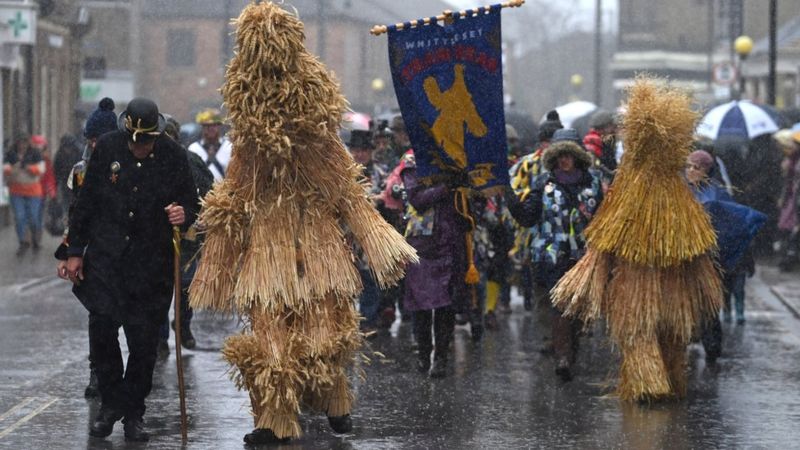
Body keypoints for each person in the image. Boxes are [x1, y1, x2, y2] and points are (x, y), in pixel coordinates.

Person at [63, 97, 199, 441]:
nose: (141, 148)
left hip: (150, 264)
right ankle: (110, 405)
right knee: (102, 330)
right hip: (108, 259)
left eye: (147, 141)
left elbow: (192, 202)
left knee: (143, 343)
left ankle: (133, 411)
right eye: (136, 142)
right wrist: (74, 251)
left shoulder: (172, 156)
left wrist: (183, 213)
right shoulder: (107, 148)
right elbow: (86, 202)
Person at [505, 137, 602, 381]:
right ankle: (563, 358)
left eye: (568, 155)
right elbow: (528, 217)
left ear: (577, 157)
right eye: (559, 156)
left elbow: (602, 220)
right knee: (560, 306)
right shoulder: (543, 184)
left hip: (582, 257)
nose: (564, 160)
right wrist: (511, 199)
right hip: (551, 257)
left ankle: (570, 351)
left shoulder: (593, 184)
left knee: (577, 309)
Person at [55, 97, 119, 399]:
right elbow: (75, 211)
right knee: (98, 314)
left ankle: (122, 376)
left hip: (121, 250)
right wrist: (70, 251)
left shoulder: (125, 166)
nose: (93, 145)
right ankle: (98, 372)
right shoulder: (80, 171)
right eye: (90, 139)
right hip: (91, 249)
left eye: (98, 139)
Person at [401, 152, 469, 378]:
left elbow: (474, 198)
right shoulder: (412, 160)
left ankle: (441, 357)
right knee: (421, 303)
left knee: (446, 303)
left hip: (451, 242)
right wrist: (446, 187)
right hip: (423, 244)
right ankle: (423, 353)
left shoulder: (457, 157)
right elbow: (416, 199)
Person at [156, 115, 214, 355]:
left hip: (187, 236)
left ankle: (183, 325)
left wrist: (197, 215)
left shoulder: (191, 161)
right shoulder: (150, 163)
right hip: (157, 238)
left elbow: (206, 191)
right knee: (160, 289)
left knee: (186, 286)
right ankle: (160, 337)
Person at [347, 129, 387, 332]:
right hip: (347, 236)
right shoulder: (342, 174)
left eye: (363, 150)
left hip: (372, 235)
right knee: (347, 280)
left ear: (370, 152)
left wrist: (378, 200)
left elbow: (388, 198)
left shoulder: (380, 173)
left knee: (371, 279)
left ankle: (368, 320)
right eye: (355, 150)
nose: (359, 154)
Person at [3, 133, 45, 255]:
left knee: (33, 217)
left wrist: (28, 168)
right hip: (16, 191)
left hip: (33, 191)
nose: (22, 145)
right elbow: (6, 170)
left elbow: (41, 169)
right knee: (20, 217)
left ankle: (35, 238)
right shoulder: (11, 154)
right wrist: (14, 167)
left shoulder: (35, 153)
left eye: (24, 142)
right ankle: (23, 242)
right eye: (20, 142)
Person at [775, 128, 800, 271]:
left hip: (796, 199)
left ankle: (789, 258)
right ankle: (787, 257)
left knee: (793, 229)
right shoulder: (792, 158)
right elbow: (788, 180)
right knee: (787, 227)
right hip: (792, 197)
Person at [187, 108, 232, 182]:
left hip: (225, 192)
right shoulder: (194, 149)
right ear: (202, 127)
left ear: (219, 126)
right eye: (207, 126)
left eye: (214, 125)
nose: (211, 129)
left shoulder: (229, 146)